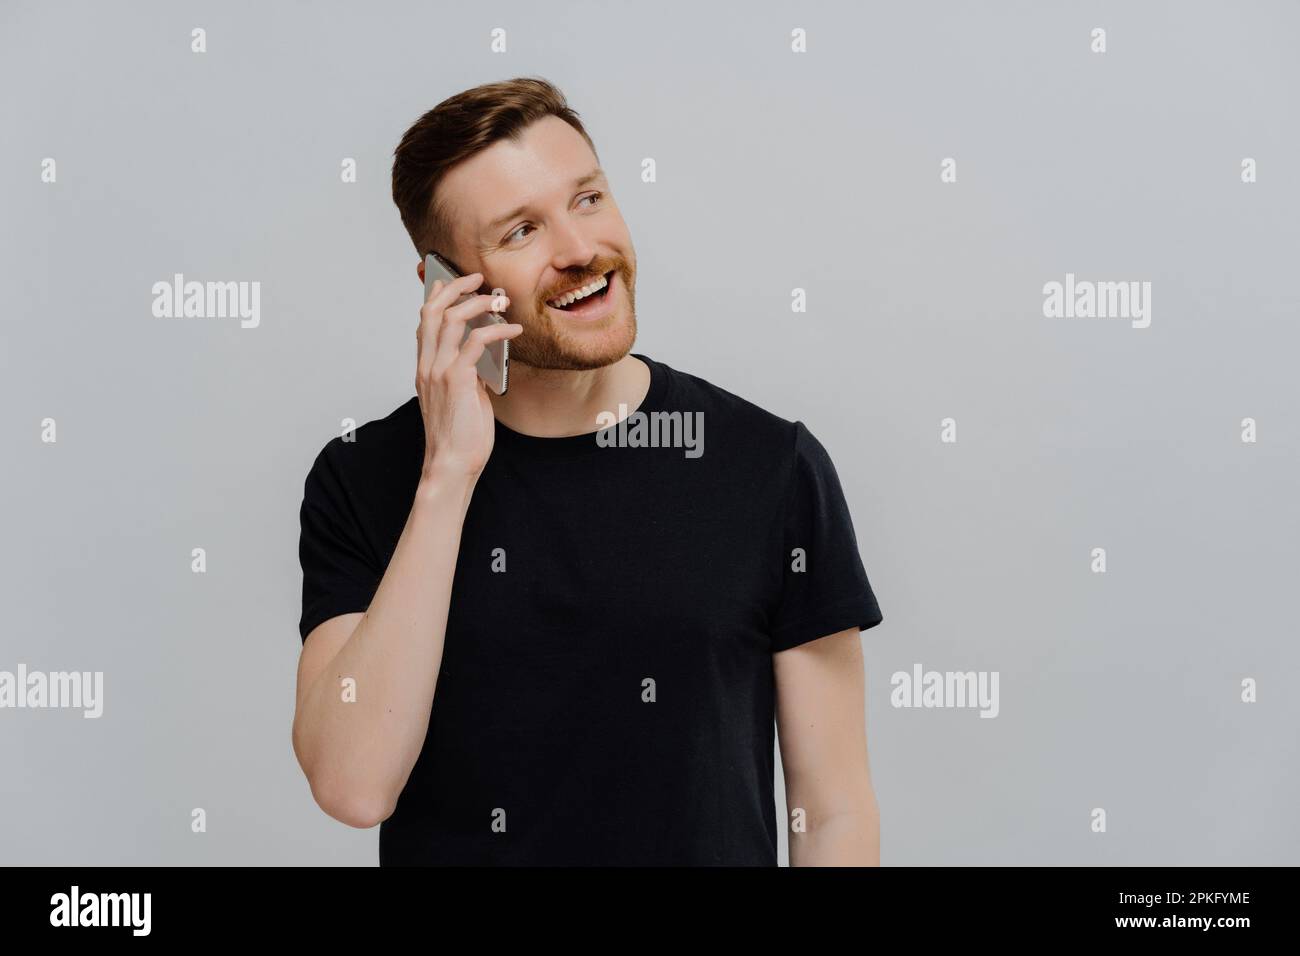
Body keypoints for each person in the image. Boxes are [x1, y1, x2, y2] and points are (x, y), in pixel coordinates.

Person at [292, 76, 885, 866]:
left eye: (589, 198)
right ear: (446, 287)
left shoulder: (770, 467)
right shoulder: (363, 478)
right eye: (520, 232)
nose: (578, 251)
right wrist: (448, 477)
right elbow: (353, 787)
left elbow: (835, 810)